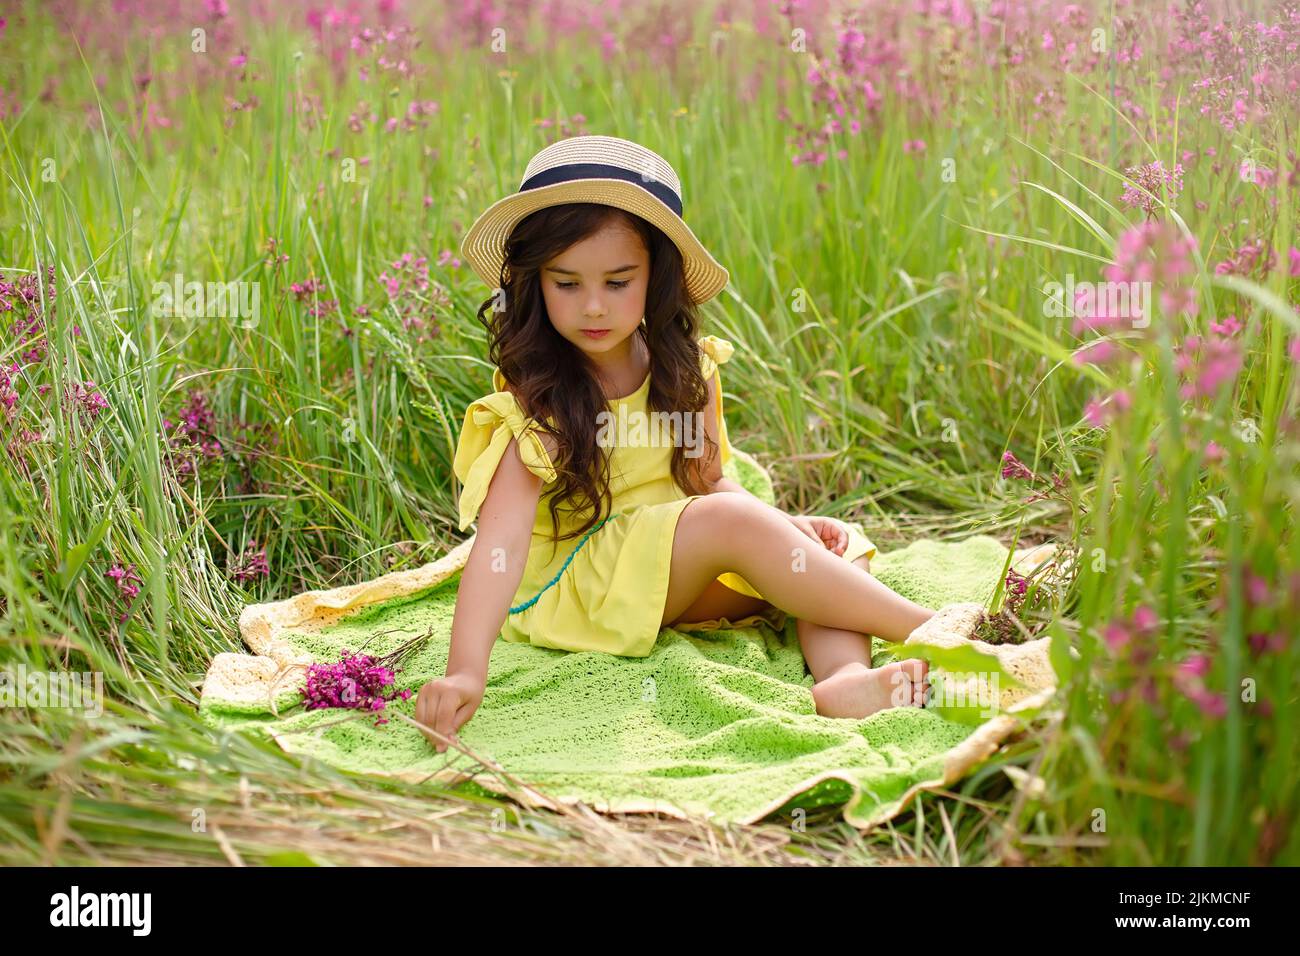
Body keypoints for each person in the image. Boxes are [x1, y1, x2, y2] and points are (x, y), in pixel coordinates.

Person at [417, 135, 936, 753]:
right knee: (737, 526)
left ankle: (847, 682)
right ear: (535, 283)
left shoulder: (686, 367)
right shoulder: (537, 401)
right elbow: (498, 545)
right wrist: (465, 669)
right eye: (566, 283)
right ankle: (937, 631)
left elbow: (711, 481)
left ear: (655, 277)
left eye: (617, 282)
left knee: (824, 554)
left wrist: (784, 526)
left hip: (673, 566)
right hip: (580, 586)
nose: (592, 306)